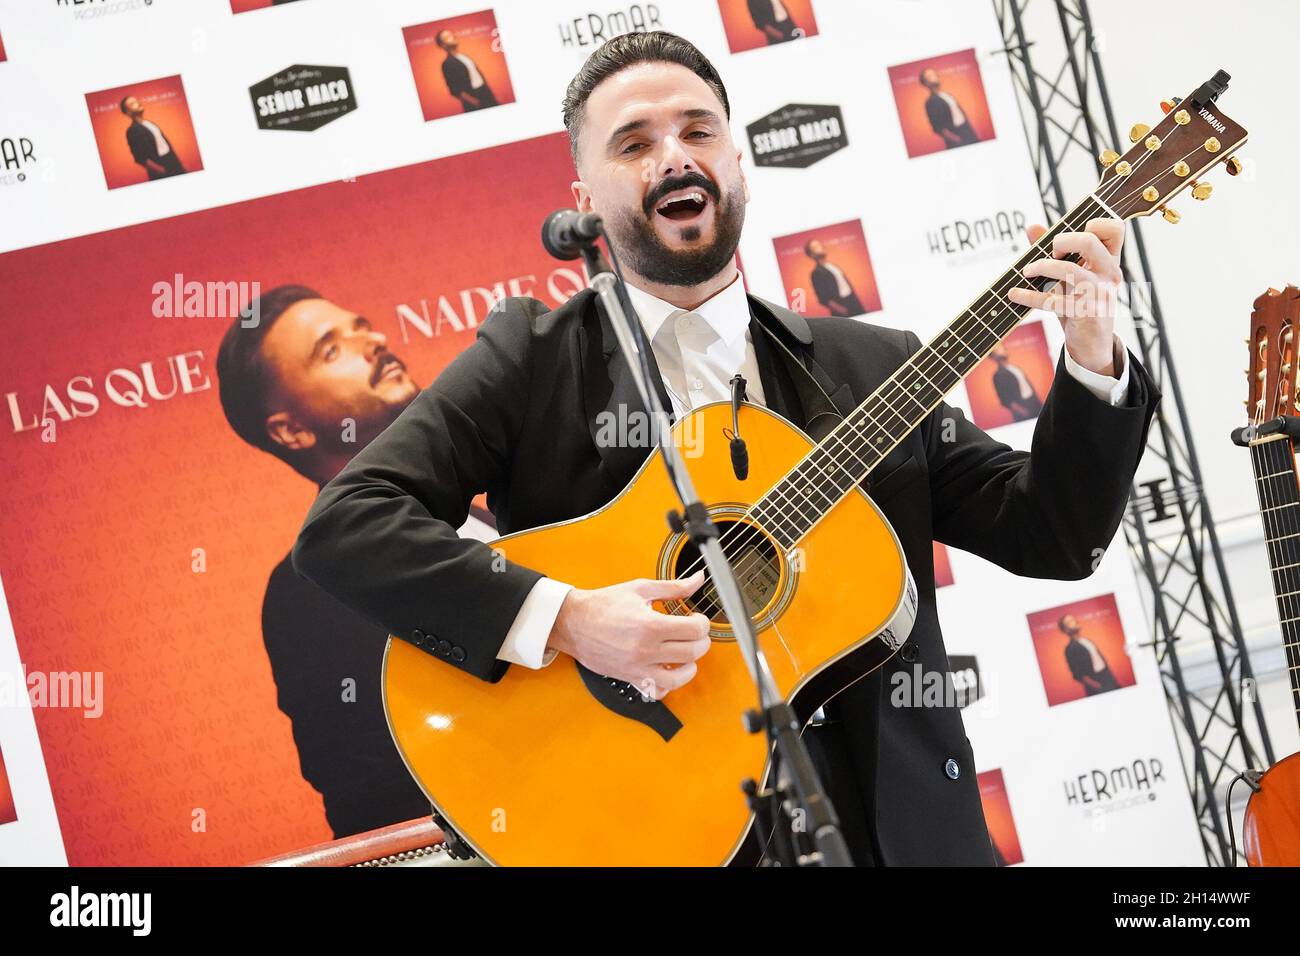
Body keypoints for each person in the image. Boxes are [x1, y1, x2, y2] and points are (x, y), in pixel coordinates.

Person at [292, 31, 1157, 866]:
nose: (674, 157)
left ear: (738, 162)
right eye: (634, 143)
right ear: (585, 196)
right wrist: (572, 620)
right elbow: (349, 526)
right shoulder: (533, 360)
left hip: (891, 830)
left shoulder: (872, 368)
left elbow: (1053, 536)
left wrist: (1091, 355)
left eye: (698, 130)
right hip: (658, 820)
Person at [216, 284, 494, 838]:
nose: (374, 341)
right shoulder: (307, 589)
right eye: (331, 349)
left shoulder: (498, 511)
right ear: (290, 430)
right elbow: (366, 793)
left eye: (362, 325)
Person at [120, 95, 186, 180]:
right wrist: (164, 172)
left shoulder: (148, 123)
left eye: (137, 101)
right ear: (127, 113)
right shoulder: (132, 130)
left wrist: (178, 164)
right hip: (163, 168)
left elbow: (163, 144)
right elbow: (140, 158)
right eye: (132, 103)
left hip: (173, 162)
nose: (138, 103)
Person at [436, 28, 498, 112]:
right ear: (443, 45)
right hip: (475, 99)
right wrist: (477, 103)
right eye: (447, 37)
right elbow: (455, 90)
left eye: (452, 34)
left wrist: (490, 95)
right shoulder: (447, 63)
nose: (453, 36)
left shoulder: (463, 56)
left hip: (485, 92)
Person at [1059, 613, 1120, 697]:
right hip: (1097, 683)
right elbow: (1077, 675)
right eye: (1070, 622)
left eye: (1074, 619)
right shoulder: (1069, 649)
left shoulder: (1086, 640)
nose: (1075, 621)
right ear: (1066, 630)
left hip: (1108, 676)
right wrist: (1097, 686)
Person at [920, 67, 979, 150]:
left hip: (967, 131)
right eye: (930, 75)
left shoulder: (946, 94)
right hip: (957, 137)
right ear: (925, 83)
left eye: (934, 74)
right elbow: (937, 128)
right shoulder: (930, 102)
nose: (935, 76)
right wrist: (956, 140)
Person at [805, 237, 865, 316]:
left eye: (820, 244)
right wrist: (843, 311)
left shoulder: (832, 265)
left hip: (853, 301)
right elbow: (823, 299)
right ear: (812, 255)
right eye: (816, 247)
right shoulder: (816, 273)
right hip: (843, 307)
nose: (821, 247)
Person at [990, 345, 1044, 422]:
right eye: (998, 349)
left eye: (1003, 347)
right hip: (1024, 407)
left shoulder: (1014, 367)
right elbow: (1005, 399)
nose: (1003, 349)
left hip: (1034, 402)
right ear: (993, 357)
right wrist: (1022, 411)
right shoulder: (998, 375)